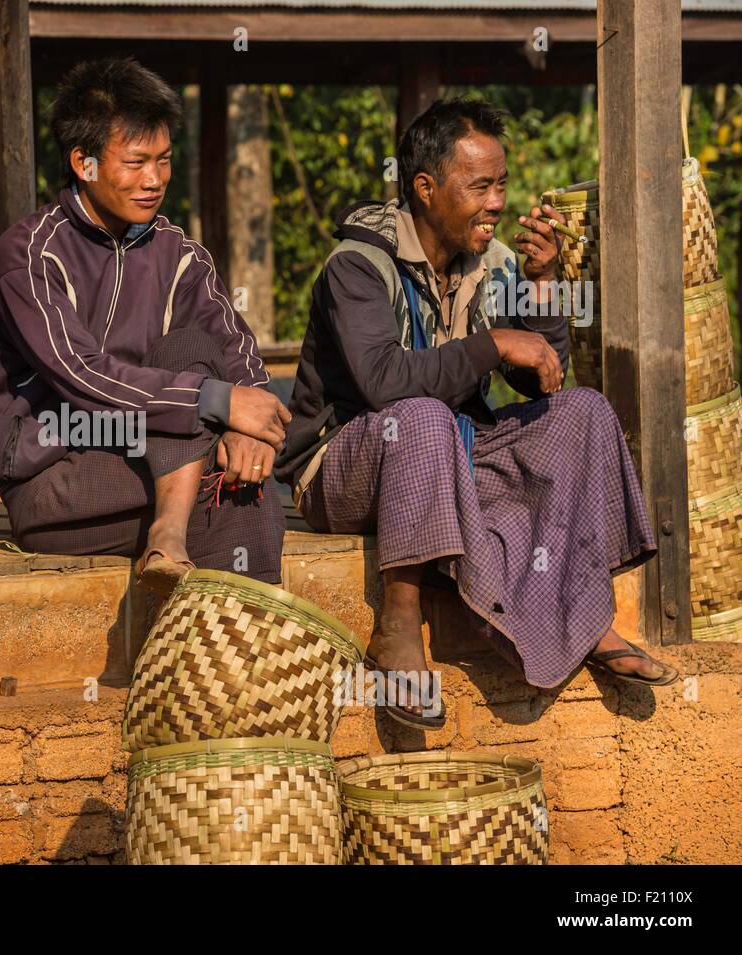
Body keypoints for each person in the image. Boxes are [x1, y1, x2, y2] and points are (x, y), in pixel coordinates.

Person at [273, 97, 678, 729]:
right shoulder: (357, 265)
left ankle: (587, 617)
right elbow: (383, 383)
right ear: (426, 188)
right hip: (341, 468)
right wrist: (491, 344)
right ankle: (399, 627)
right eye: (480, 186)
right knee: (421, 415)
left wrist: (542, 287)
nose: (496, 202)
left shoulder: (491, 264)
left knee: (584, 413)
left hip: (451, 451)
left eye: (502, 185)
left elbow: (540, 377)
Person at [0, 58, 288, 589]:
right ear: (83, 163)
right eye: (136, 162)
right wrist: (216, 404)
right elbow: (83, 375)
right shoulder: (28, 257)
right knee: (223, 464)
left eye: (164, 161)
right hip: (52, 475)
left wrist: (247, 427)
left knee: (203, 381)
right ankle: (244, 649)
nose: (155, 180)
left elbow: (237, 353)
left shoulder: (179, 254)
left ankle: (180, 569)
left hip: (154, 459)